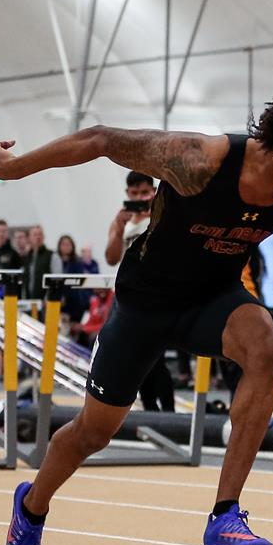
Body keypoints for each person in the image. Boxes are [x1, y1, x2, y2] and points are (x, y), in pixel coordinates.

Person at [0, 87, 273, 545]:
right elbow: (100, 138)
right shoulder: (202, 159)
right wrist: (16, 168)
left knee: (265, 346)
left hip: (211, 300)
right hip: (145, 305)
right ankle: (31, 510)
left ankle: (225, 513)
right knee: (93, 434)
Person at [103, 171, 174, 412]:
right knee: (135, 361)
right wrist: (119, 228)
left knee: (157, 359)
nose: (140, 198)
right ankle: (151, 410)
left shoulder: (162, 214)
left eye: (144, 193)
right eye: (134, 194)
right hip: (128, 296)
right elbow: (111, 258)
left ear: (153, 192)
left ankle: (169, 412)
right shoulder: (121, 221)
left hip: (155, 294)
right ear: (127, 195)